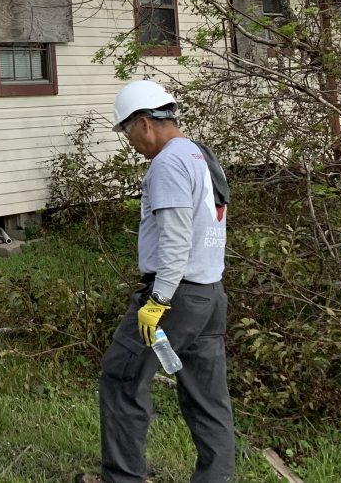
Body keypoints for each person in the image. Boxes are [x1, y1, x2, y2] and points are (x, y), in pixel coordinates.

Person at [78, 80, 234, 483]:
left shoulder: (167, 163)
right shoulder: (201, 155)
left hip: (174, 296)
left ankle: (123, 479)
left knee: (122, 378)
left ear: (145, 123)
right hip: (209, 294)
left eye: (128, 132)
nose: (130, 143)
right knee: (207, 397)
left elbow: (177, 237)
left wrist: (158, 300)